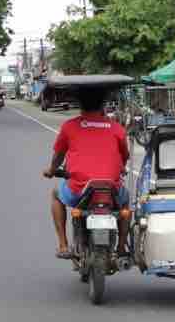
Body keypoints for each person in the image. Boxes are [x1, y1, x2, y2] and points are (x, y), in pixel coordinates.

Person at [43, 86, 131, 259]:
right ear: (103, 106)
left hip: (80, 191)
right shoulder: (116, 128)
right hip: (110, 191)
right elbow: (124, 156)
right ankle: (121, 248)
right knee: (125, 202)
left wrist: (51, 170)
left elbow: (58, 157)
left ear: (81, 105)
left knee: (55, 194)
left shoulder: (69, 126)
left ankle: (63, 245)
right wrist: (119, 168)